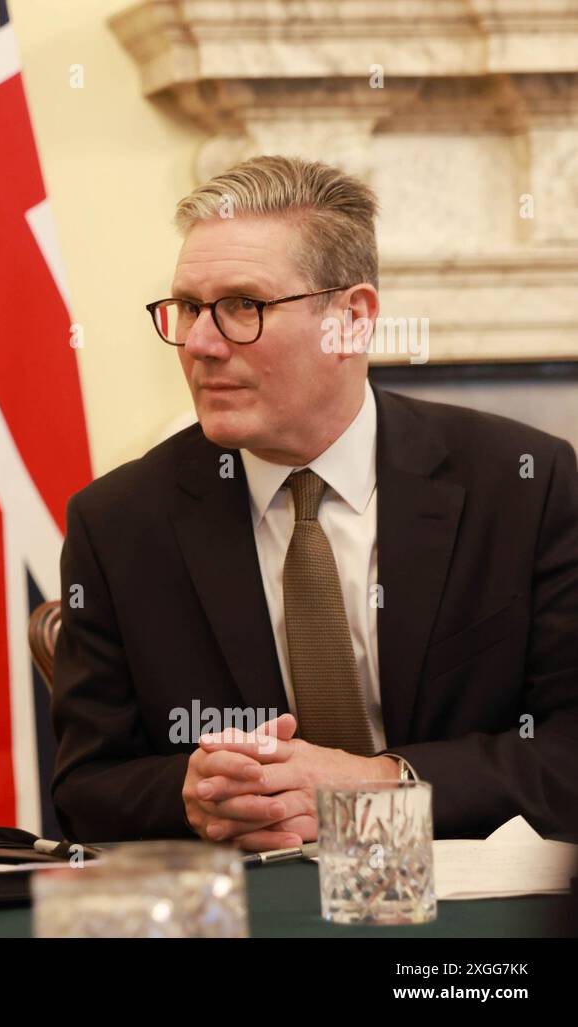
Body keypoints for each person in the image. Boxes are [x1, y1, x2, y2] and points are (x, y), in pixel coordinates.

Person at [51, 156, 578, 849]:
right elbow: (86, 788)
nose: (202, 344)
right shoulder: (119, 525)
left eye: (243, 306)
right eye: (187, 308)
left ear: (352, 320)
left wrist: (385, 783)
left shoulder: (522, 485)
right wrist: (192, 793)